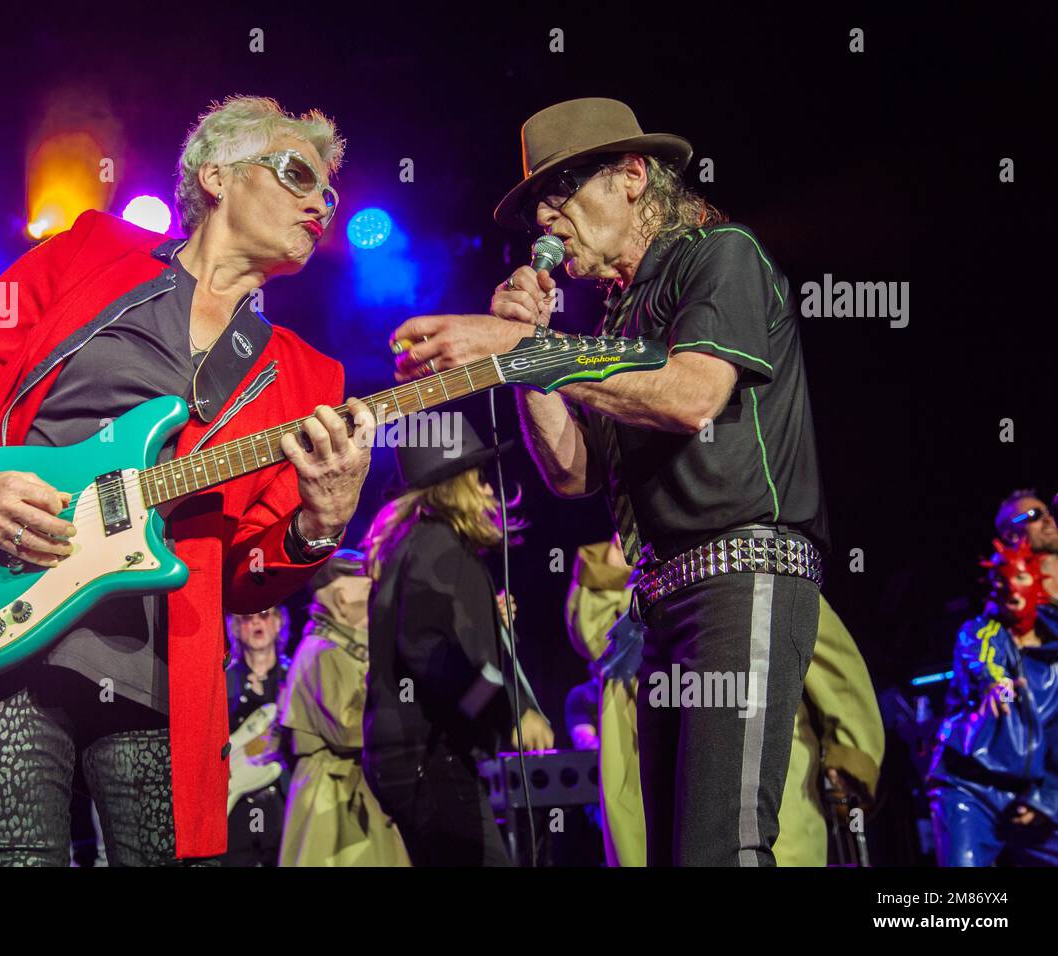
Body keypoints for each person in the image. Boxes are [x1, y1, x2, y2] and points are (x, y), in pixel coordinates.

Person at [0, 96, 375, 864]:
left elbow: (248, 574)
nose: (319, 203)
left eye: (329, 193)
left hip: (161, 681)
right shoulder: (86, 257)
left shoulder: (306, 376)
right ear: (216, 176)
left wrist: (319, 524)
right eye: (298, 173)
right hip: (2, 624)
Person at [392, 97, 827, 866]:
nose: (546, 222)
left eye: (561, 194)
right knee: (672, 852)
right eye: (536, 209)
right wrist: (527, 363)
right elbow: (572, 472)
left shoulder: (718, 254)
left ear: (631, 177)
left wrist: (523, 348)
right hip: (659, 610)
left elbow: (693, 395)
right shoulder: (615, 322)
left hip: (742, 577)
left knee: (721, 846)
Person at [565, 535, 883, 866]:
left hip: (759, 769)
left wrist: (849, 749)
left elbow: (839, 666)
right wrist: (614, 563)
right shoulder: (636, 590)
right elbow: (593, 638)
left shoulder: (747, 559)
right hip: (644, 783)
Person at [361, 415, 553, 866]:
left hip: (417, 756)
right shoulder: (438, 545)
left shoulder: (420, 544)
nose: (490, 490)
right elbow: (431, 652)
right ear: (454, 485)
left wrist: (488, 623)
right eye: (479, 478)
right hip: (427, 758)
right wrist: (508, 715)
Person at [926, 536, 1058, 866]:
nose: (1013, 588)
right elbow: (983, 661)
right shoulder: (980, 631)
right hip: (970, 787)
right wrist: (996, 685)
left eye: (1022, 577)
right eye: (1004, 579)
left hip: (1033, 795)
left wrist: (1047, 800)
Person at [277, 549, 410, 866]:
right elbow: (349, 729)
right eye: (367, 596)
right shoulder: (323, 650)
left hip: (359, 786)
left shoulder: (353, 649)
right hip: (333, 796)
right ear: (338, 600)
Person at [223, 605, 291, 866]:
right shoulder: (223, 681)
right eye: (247, 617)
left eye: (265, 615)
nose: (256, 623)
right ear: (236, 629)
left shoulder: (295, 677)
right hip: (237, 807)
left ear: (278, 624)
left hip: (282, 803)